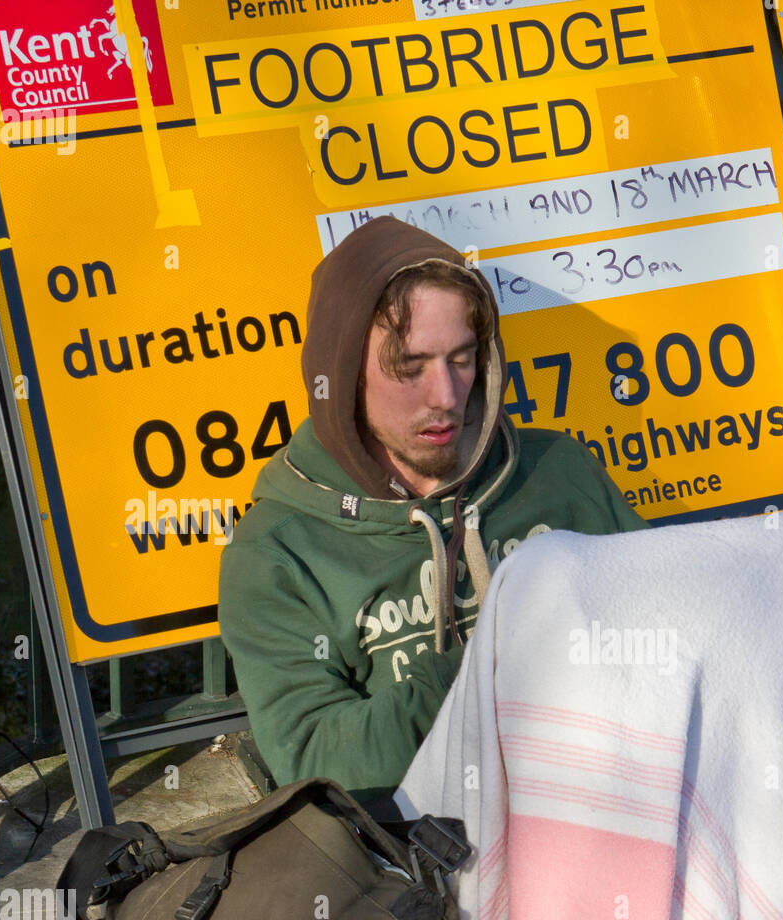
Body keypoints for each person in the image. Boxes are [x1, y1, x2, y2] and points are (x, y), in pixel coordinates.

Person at [218, 218, 646, 812]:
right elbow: (328, 773)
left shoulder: (560, 472)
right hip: (423, 864)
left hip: (610, 803)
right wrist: (494, 659)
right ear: (341, 377)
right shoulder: (277, 554)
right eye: (410, 367)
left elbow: (667, 638)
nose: (446, 395)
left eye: (462, 359)